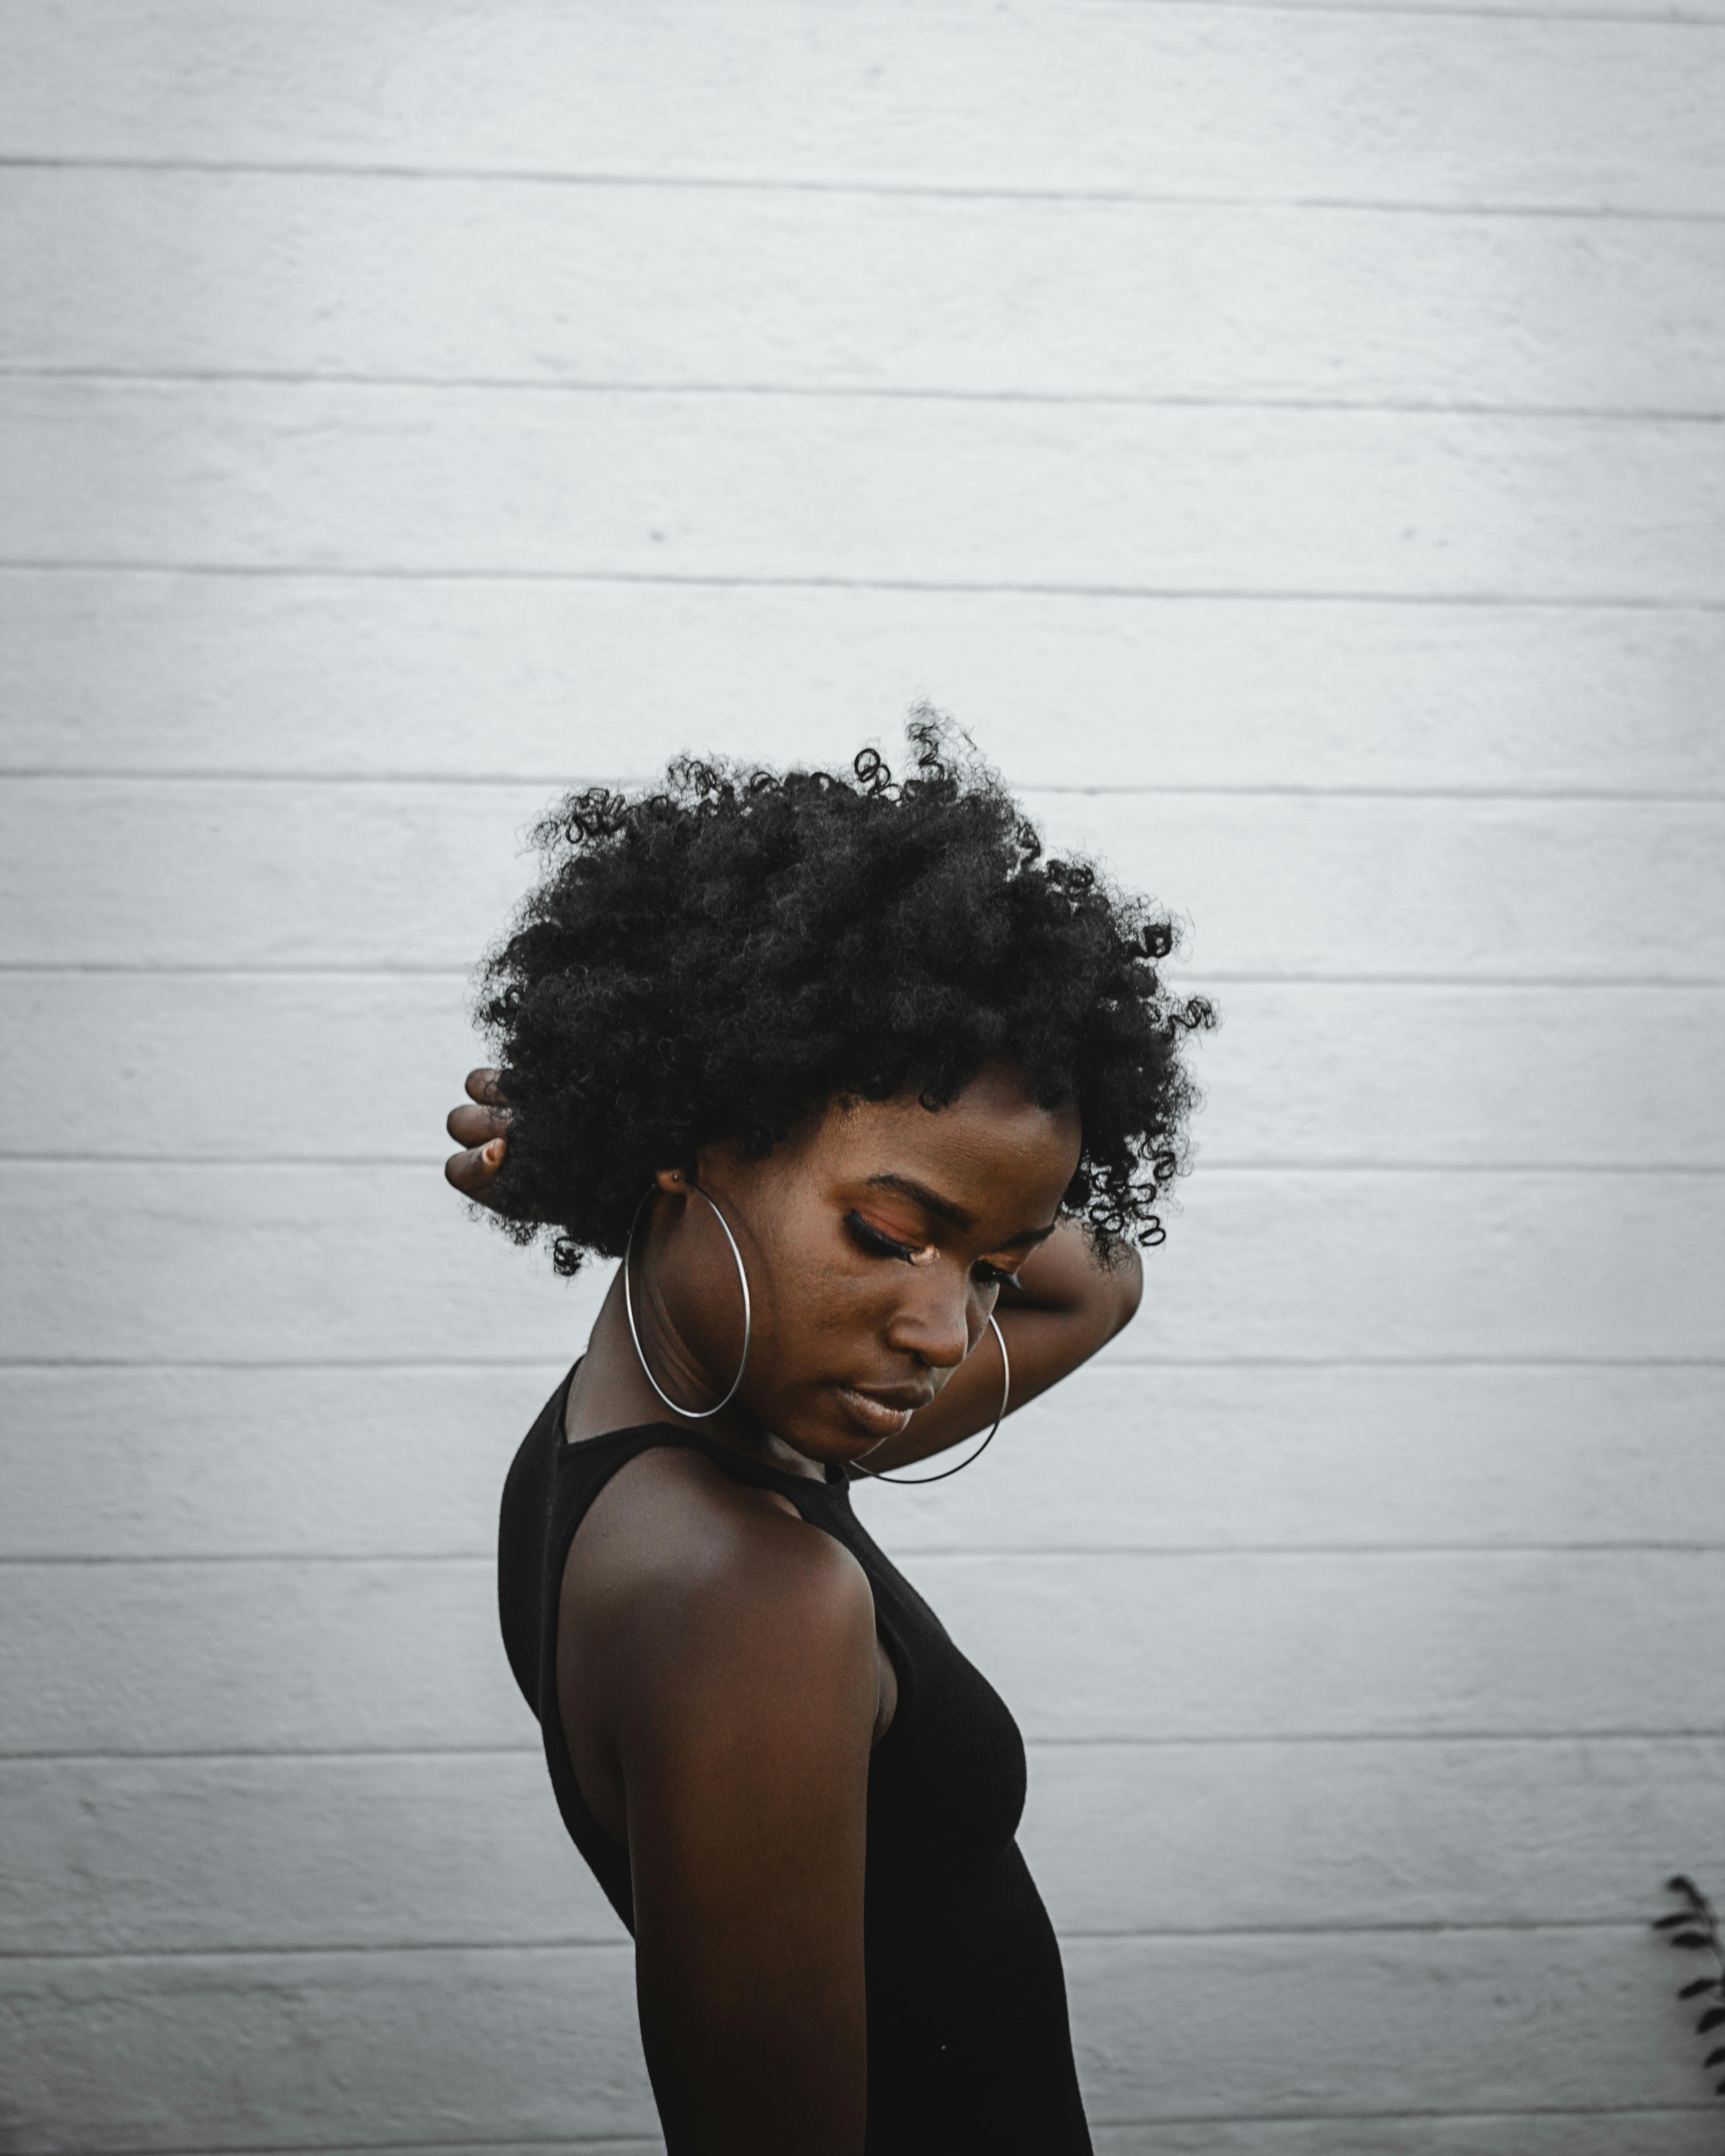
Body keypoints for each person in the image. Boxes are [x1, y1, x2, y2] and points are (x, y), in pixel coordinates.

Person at [443, 722, 1213, 2155]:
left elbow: (1092, 1276)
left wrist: (630, 1182)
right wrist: (639, 1149)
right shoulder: (747, 1593)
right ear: (695, 1125)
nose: (940, 1329)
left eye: (986, 1265)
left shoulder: (672, 1436)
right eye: (888, 1233)